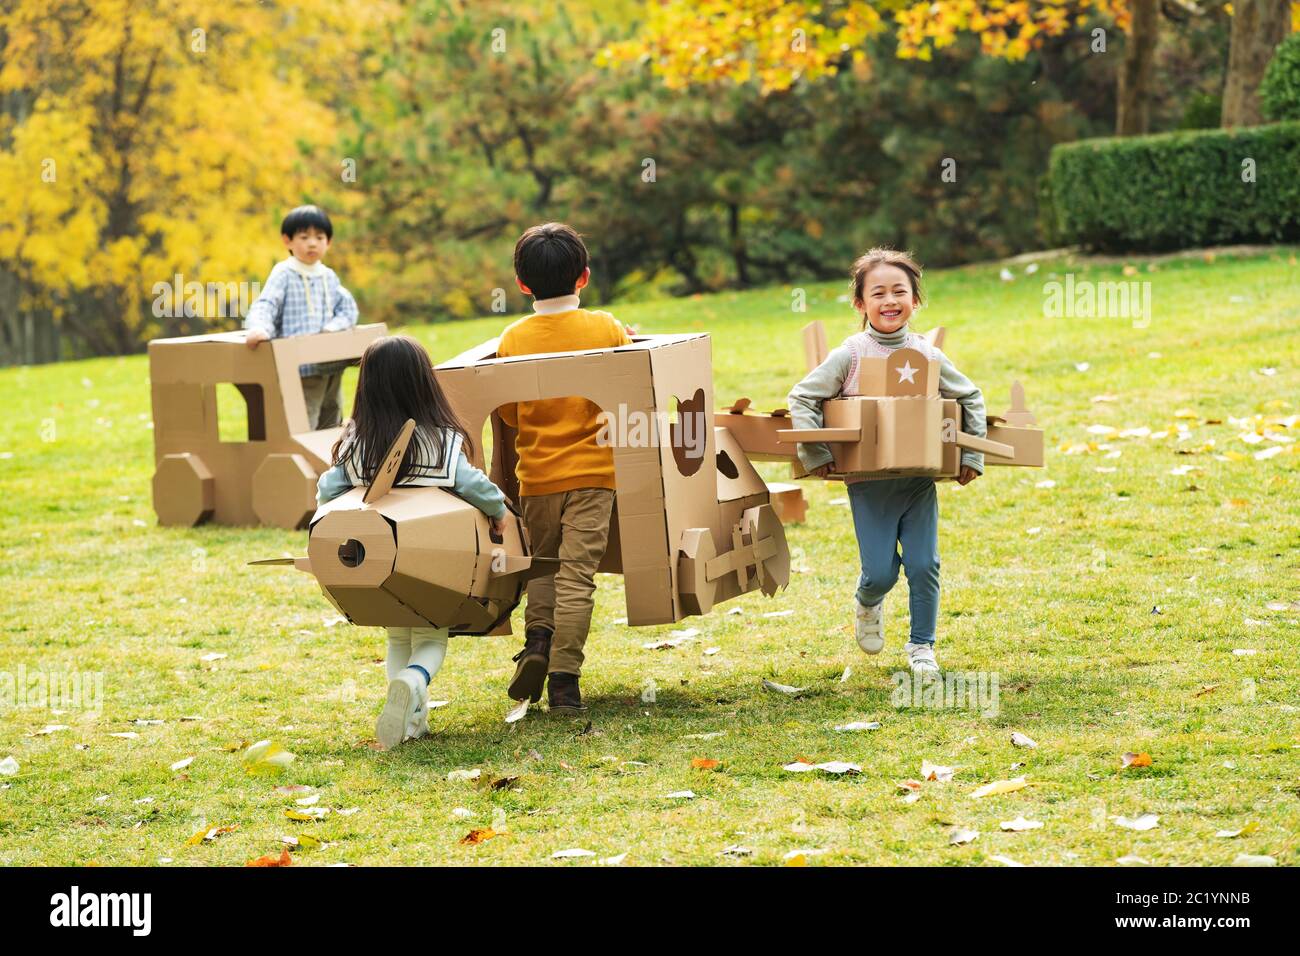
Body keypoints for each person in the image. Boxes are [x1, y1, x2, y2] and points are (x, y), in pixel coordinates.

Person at [786, 248, 986, 678]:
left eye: (900, 291)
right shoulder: (851, 355)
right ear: (861, 304)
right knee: (880, 572)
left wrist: (972, 452)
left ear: (916, 300)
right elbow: (802, 396)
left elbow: (970, 396)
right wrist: (816, 452)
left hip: (917, 479)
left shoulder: (928, 355)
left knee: (924, 564)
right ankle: (868, 601)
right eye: (878, 293)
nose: (890, 300)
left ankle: (922, 647)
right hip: (867, 481)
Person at [316, 336, 508, 748]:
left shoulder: (356, 444)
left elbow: (326, 491)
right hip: (429, 562)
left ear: (367, 388)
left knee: (397, 637)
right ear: (423, 385)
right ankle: (413, 682)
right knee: (431, 638)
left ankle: (409, 723)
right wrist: (498, 510)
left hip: (380, 565)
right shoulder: (438, 440)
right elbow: (472, 484)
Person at [496, 223, 631, 713]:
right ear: (585, 277)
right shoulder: (605, 328)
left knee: (544, 569)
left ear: (522, 285)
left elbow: (509, 414)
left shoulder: (512, 338)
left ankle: (536, 641)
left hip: (537, 478)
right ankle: (564, 683)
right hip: (595, 476)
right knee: (577, 577)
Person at [244, 205, 359, 429]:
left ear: (329, 242)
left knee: (332, 413)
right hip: (300, 368)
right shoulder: (284, 273)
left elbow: (349, 309)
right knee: (306, 418)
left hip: (331, 363)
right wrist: (260, 328)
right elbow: (266, 304)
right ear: (288, 241)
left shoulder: (328, 276)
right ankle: (307, 460)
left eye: (320, 237)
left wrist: (332, 329)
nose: (312, 243)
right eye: (304, 237)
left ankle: (329, 460)